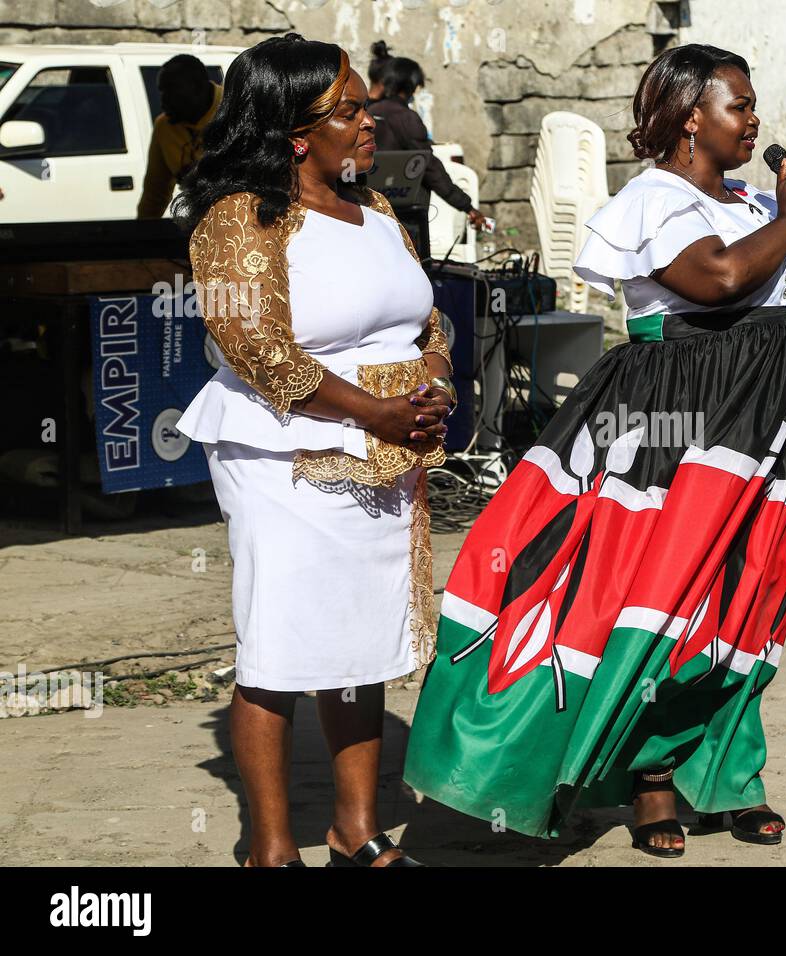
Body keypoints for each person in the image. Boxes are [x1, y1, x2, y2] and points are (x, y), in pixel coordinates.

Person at [403, 43, 786, 857]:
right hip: (679, 421)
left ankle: (729, 774)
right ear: (688, 118)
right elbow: (720, 281)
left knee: (746, 596)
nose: (755, 120)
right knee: (662, 597)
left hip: (765, 417)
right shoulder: (652, 200)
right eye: (739, 105)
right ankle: (650, 786)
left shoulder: (750, 203)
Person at [173, 34, 456, 867]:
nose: (370, 123)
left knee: (358, 638)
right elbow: (258, 348)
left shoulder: (376, 212)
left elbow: (426, 320)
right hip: (280, 453)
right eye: (350, 110)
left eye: (367, 105)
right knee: (282, 641)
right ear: (296, 131)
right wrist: (376, 410)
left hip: (383, 453)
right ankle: (268, 846)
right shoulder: (239, 219)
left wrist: (432, 379)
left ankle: (354, 829)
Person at [367, 54, 488, 230]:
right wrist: (466, 206)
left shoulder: (369, 112)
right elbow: (431, 168)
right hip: (402, 213)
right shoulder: (406, 118)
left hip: (369, 209)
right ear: (409, 87)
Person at [137, 54, 222, 218]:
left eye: (172, 92)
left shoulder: (235, 110)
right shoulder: (164, 126)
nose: (163, 101)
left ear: (199, 88)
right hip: (201, 223)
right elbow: (155, 193)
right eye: (162, 92)